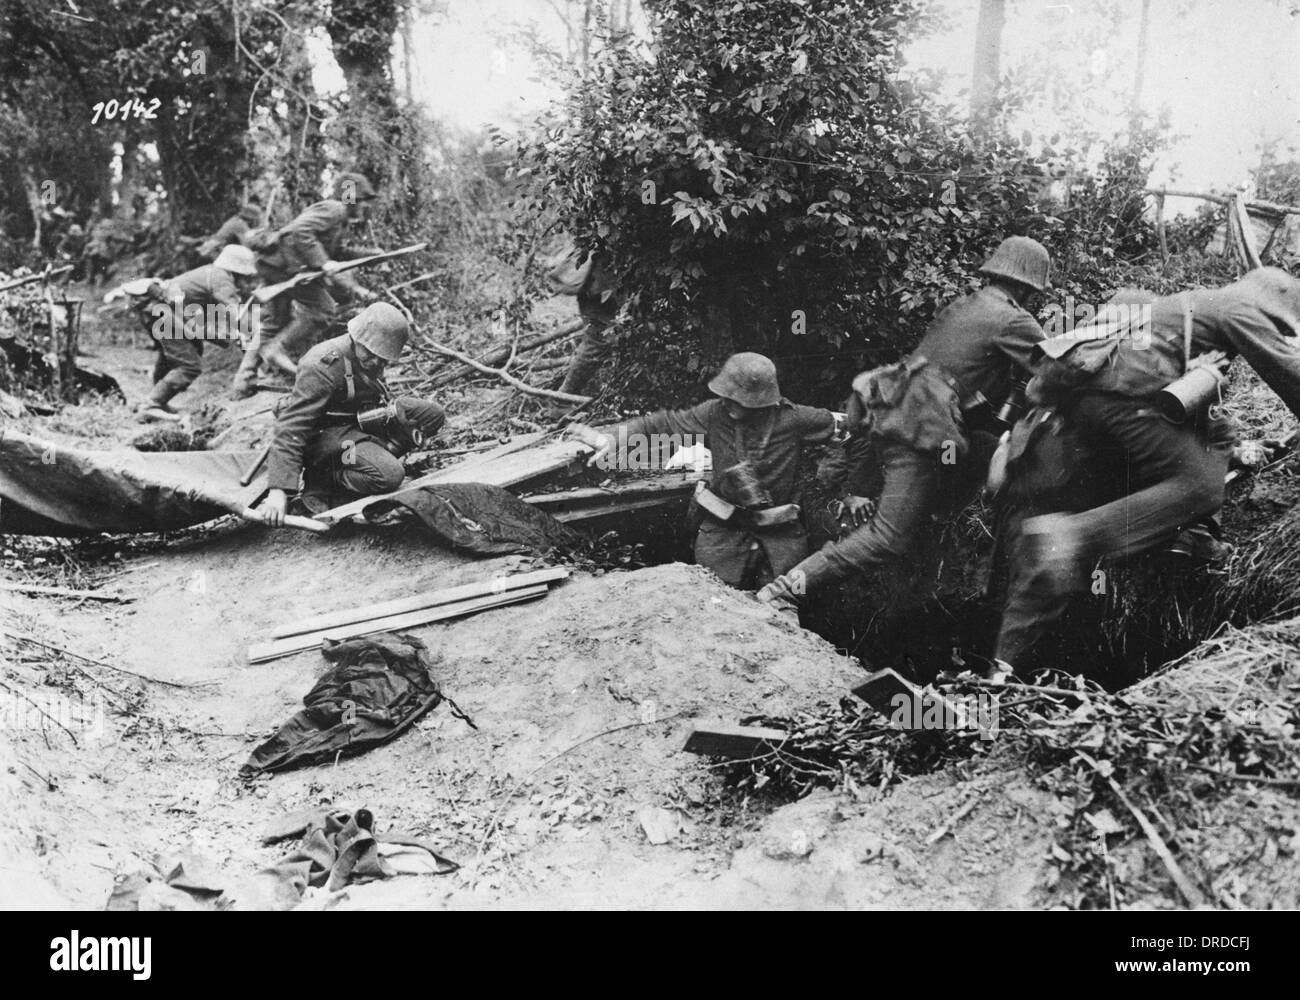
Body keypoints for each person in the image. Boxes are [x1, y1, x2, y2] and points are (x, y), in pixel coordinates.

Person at [991, 266, 1300, 677]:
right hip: (1097, 432)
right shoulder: (1238, 308)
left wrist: (1236, 446)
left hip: (1084, 436)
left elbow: (1196, 421)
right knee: (1201, 486)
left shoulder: (1180, 308)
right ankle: (1084, 538)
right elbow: (1288, 373)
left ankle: (1001, 674)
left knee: (1054, 565)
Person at [755, 236, 1052, 621]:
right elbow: (1056, 369)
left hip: (900, 415)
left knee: (983, 446)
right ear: (1029, 285)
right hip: (919, 431)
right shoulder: (1012, 319)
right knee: (887, 537)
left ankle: (942, 532)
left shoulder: (966, 306)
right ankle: (783, 590)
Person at [569, 352, 841, 591]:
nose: (728, 402)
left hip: (779, 534)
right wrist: (615, 437)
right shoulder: (715, 413)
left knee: (785, 603)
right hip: (724, 530)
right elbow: (665, 423)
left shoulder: (796, 419)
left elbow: (856, 430)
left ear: (761, 400)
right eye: (726, 395)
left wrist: (855, 491)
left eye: (738, 398)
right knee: (712, 595)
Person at [257, 302, 446, 524]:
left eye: (383, 358)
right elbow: (292, 427)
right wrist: (278, 491)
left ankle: (374, 456)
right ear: (356, 337)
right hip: (328, 440)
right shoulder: (321, 365)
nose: (376, 362)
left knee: (431, 414)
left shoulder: (369, 358)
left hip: (360, 423)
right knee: (390, 475)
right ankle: (324, 480)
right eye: (371, 353)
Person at [233, 173, 382, 398]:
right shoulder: (335, 209)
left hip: (273, 265)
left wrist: (372, 255)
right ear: (351, 198)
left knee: (275, 322)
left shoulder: (339, 220)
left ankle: (243, 382)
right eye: (361, 200)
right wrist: (322, 262)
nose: (364, 207)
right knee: (323, 310)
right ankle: (276, 350)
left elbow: (337, 252)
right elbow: (299, 231)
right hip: (286, 267)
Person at [135, 244, 259, 422]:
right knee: (189, 365)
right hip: (165, 313)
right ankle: (150, 405)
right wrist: (253, 333)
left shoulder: (211, 272)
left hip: (159, 311)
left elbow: (213, 317)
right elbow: (236, 313)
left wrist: (233, 335)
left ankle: (158, 401)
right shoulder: (222, 279)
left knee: (179, 353)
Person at [196, 203, 263, 260]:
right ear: (252, 219)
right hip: (215, 248)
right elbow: (246, 244)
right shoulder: (241, 225)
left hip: (213, 244)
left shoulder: (235, 219)